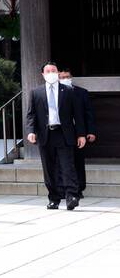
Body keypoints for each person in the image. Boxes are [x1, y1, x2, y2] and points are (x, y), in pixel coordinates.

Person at [25, 61, 85, 211]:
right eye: (48, 71)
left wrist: (81, 134)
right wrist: (31, 131)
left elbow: (77, 114)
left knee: (67, 166)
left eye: (54, 70)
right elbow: (31, 115)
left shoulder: (68, 91)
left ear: (58, 73)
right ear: (43, 74)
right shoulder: (35, 92)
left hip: (64, 133)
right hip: (45, 134)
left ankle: (71, 196)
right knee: (49, 168)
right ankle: (54, 198)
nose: (51, 73)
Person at [59, 69, 96, 196]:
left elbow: (88, 113)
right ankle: (64, 188)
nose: (65, 79)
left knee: (78, 161)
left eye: (67, 76)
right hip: (61, 132)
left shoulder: (81, 92)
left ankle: (79, 188)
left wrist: (90, 131)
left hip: (78, 132)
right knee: (63, 161)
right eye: (62, 77)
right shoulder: (54, 93)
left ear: (71, 77)